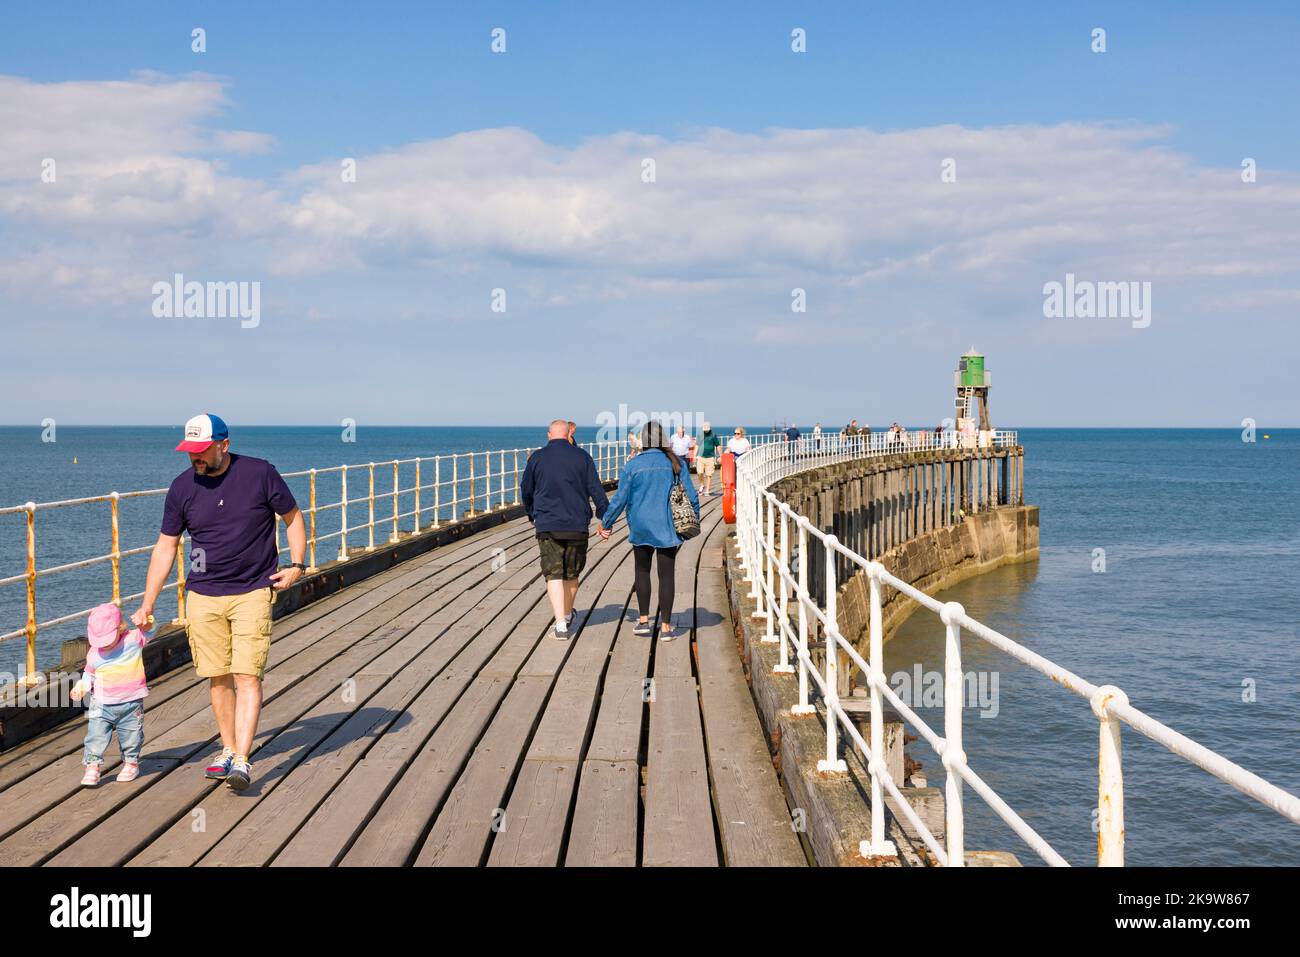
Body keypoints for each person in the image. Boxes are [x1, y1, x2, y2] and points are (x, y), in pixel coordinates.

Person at [133, 413, 306, 791]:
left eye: (201, 450)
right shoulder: (181, 488)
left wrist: (297, 565)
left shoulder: (260, 474)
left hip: (252, 591)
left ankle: (242, 759)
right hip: (203, 595)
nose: (194, 457)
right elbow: (166, 547)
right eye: (189, 450)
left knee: (247, 675)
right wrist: (148, 603)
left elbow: (292, 517)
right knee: (218, 676)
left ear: (223, 445)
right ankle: (228, 748)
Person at [598, 421, 700, 641]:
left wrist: (606, 523)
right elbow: (692, 497)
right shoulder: (676, 463)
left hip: (641, 526)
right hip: (668, 527)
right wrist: (694, 522)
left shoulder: (633, 465)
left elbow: (619, 500)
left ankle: (643, 621)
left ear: (643, 441)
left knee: (642, 572)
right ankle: (665, 628)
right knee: (667, 576)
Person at [521, 419, 609, 639]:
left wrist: (532, 514)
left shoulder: (537, 458)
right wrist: (604, 517)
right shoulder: (583, 457)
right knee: (572, 573)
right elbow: (596, 490)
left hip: (548, 524)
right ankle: (568, 614)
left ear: (550, 435)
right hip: (577, 525)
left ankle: (560, 624)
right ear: (568, 434)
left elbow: (526, 490)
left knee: (553, 574)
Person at [71, 603, 154, 786]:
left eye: (108, 638)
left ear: (120, 627)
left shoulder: (132, 639)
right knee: (95, 736)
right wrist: (81, 687)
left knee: (132, 735)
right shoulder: (94, 654)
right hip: (100, 704)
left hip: (130, 703)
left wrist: (145, 620)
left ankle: (131, 762)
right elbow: (89, 674)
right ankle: (92, 766)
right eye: (99, 639)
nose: (104, 644)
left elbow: (150, 631)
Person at [696, 421, 720, 496]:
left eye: (707, 429)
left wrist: (720, 456)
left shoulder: (713, 435)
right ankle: (702, 485)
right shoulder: (700, 434)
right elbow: (697, 445)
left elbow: (718, 445)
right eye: (704, 429)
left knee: (709, 474)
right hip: (700, 457)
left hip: (710, 457)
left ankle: (707, 490)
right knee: (699, 472)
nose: (705, 431)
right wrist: (694, 455)